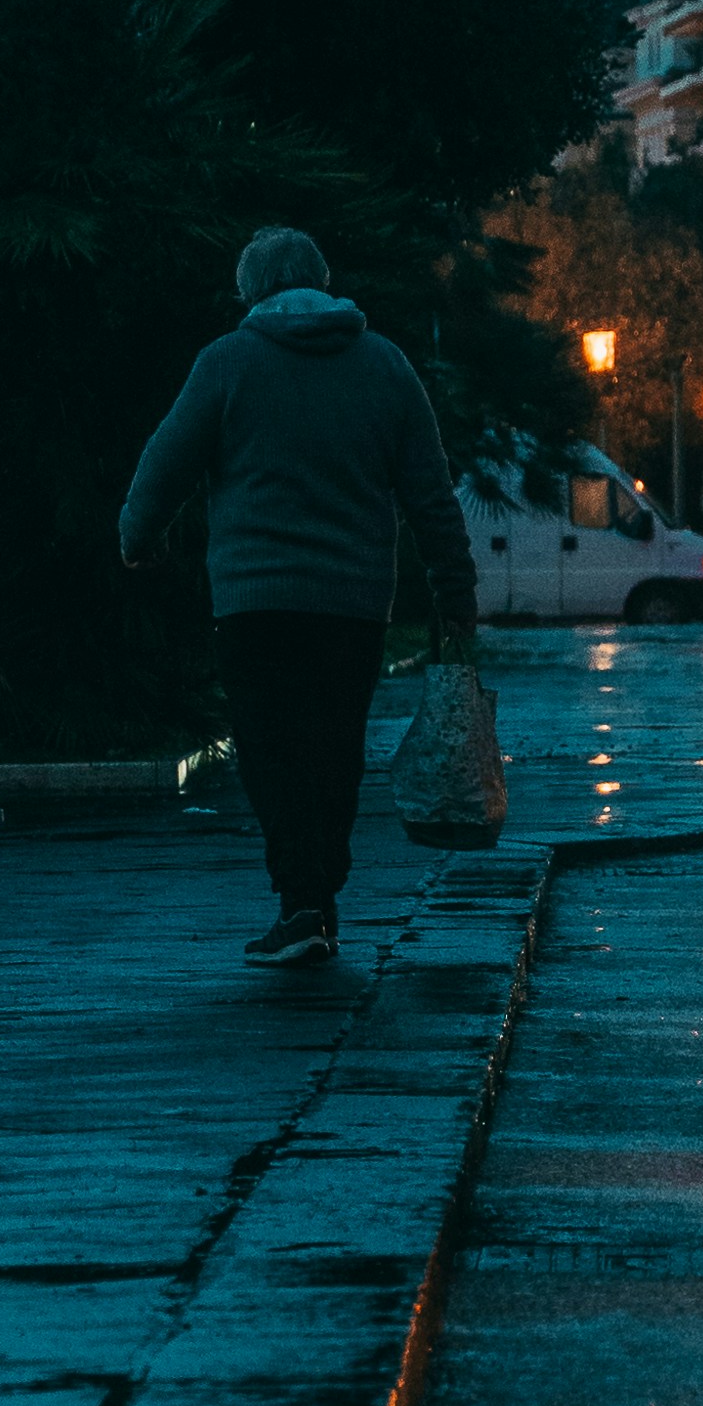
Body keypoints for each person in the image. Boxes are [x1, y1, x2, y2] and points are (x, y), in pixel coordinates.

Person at [119, 227, 476, 969]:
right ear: (322, 280)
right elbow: (431, 496)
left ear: (251, 292)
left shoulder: (227, 363)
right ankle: (319, 898)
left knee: (271, 750)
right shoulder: (385, 366)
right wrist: (455, 592)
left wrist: (137, 537)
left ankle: (302, 902)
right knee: (334, 747)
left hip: (255, 602)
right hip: (352, 602)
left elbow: (165, 462)